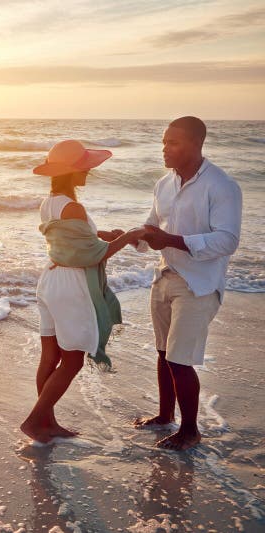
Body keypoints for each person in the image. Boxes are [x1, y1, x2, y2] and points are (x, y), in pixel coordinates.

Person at [21, 140, 147, 444]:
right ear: (72, 172)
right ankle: (35, 420)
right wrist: (131, 235)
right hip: (71, 286)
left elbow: (73, 239)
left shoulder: (50, 202)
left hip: (50, 280)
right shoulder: (73, 206)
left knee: (50, 357)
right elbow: (93, 255)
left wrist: (105, 234)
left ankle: (47, 423)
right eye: (84, 168)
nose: (88, 173)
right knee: (73, 360)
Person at [133, 116, 242, 450]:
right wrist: (127, 238)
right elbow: (153, 227)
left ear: (197, 143)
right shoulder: (164, 184)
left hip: (199, 283)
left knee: (180, 359)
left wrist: (173, 240)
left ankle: (190, 430)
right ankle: (165, 416)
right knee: (164, 353)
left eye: (173, 142)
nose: (165, 148)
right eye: (164, 141)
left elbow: (227, 241)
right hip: (165, 276)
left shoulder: (222, 186)